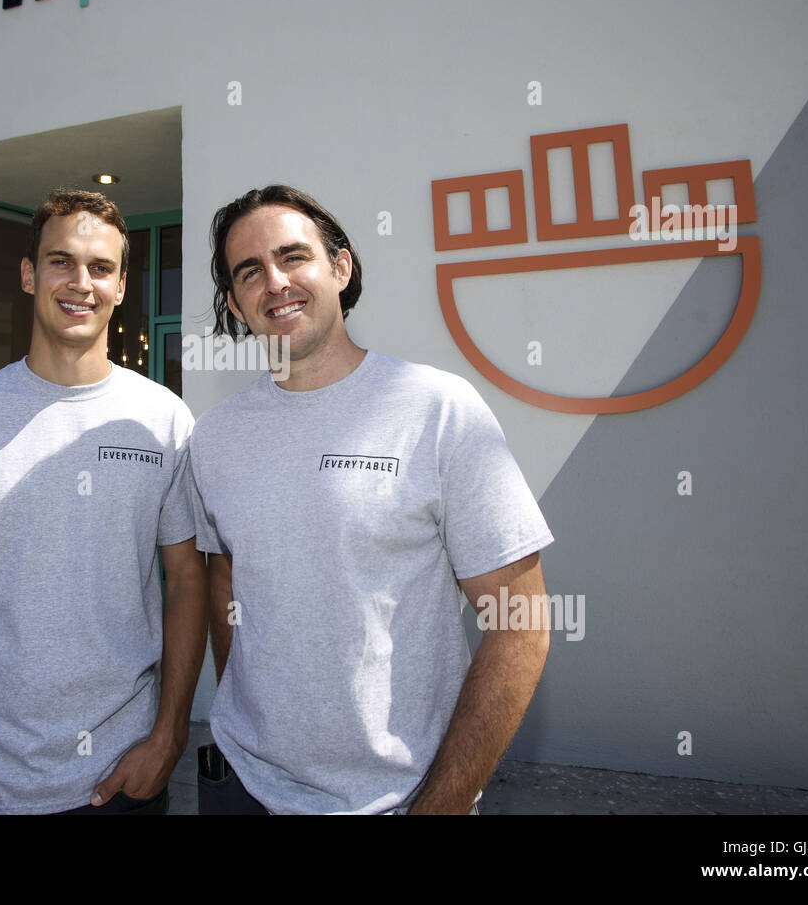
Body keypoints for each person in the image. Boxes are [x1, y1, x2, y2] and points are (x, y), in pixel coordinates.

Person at [189, 185, 554, 814]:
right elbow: (223, 579)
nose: (275, 281)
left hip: (400, 798)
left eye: (293, 256)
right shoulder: (215, 436)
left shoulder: (438, 409)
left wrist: (442, 802)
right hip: (242, 789)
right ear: (234, 302)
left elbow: (521, 626)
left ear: (340, 267)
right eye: (250, 270)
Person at [0, 188, 207, 814]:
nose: (81, 282)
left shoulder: (163, 421)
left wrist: (170, 733)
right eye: (61, 261)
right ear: (28, 274)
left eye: (101, 267)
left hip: (121, 781)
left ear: (122, 285)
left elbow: (188, 578)